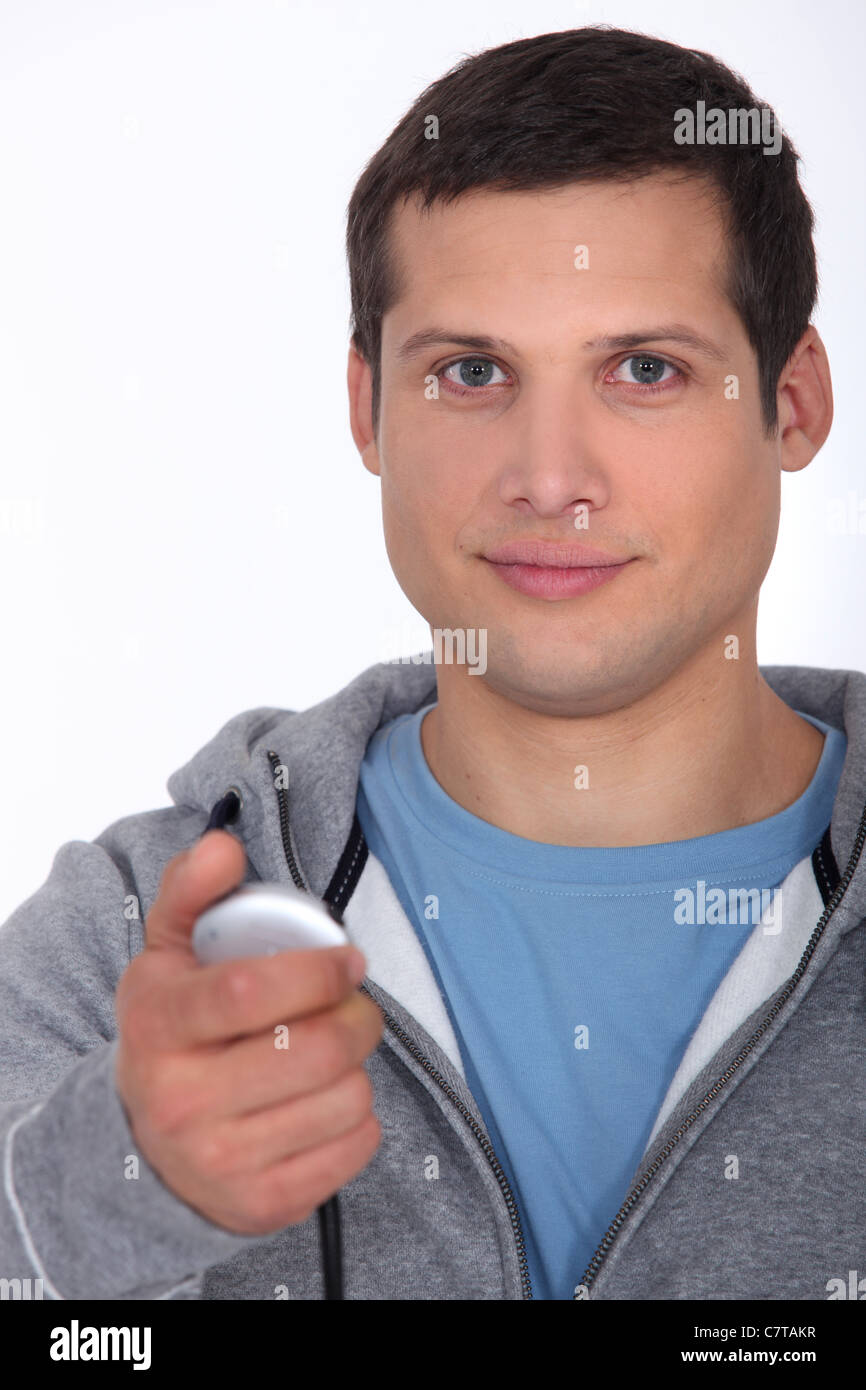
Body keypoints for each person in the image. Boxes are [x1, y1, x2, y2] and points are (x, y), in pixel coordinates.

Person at [1, 25, 862, 1304]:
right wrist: (112, 1194)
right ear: (368, 412)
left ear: (788, 404)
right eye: (470, 373)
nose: (551, 478)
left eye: (643, 369)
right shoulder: (129, 935)